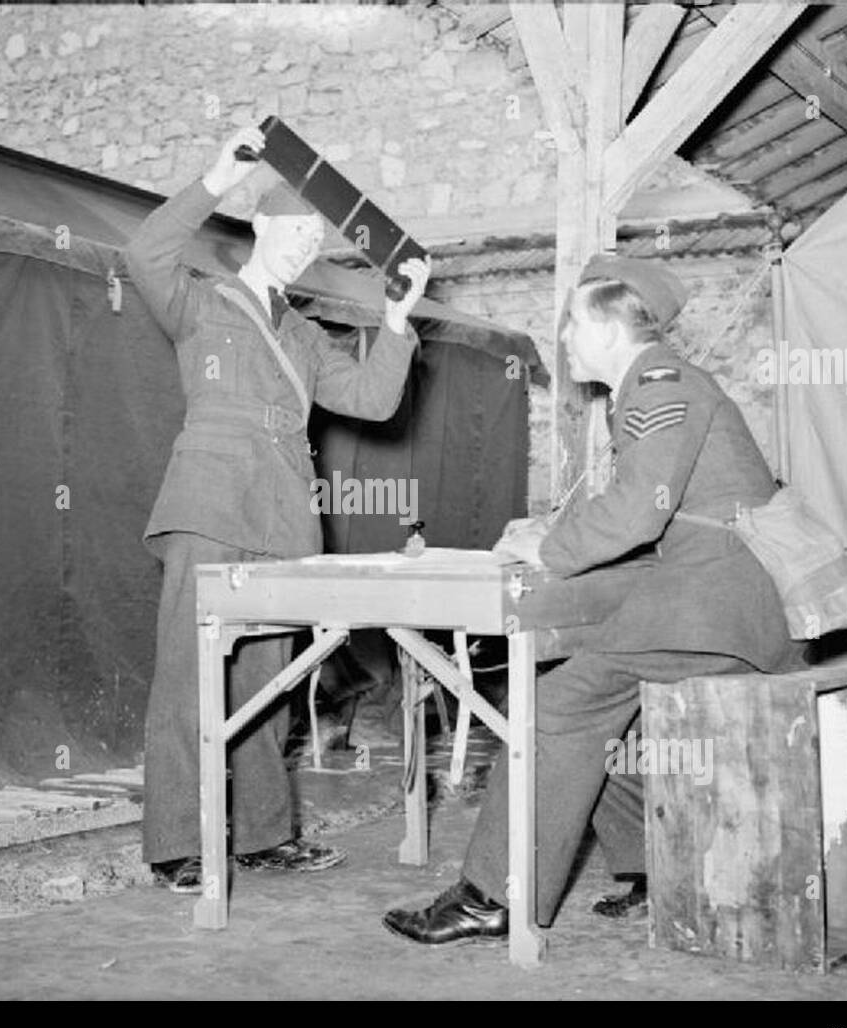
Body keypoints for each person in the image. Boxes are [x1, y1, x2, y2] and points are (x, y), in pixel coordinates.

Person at [383, 254, 805, 944]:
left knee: (556, 704)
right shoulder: (648, 388)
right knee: (596, 703)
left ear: (611, 327)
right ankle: (655, 869)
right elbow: (651, 508)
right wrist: (552, 532)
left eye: (573, 321)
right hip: (703, 593)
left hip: (720, 604)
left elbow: (639, 512)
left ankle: (493, 892)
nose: (564, 337)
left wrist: (547, 549)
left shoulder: (661, 385)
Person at [125, 126, 430, 892]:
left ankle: (262, 834)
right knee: (188, 677)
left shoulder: (305, 333)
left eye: (312, 236)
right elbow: (143, 255)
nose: (301, 246)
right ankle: (175, 843)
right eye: (291, 229)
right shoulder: (202, 300)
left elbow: (373, 399)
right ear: (259, 223)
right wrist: (212, 179)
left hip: (283, 516)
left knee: (265, 684)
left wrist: (396, 322)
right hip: (211, 503)